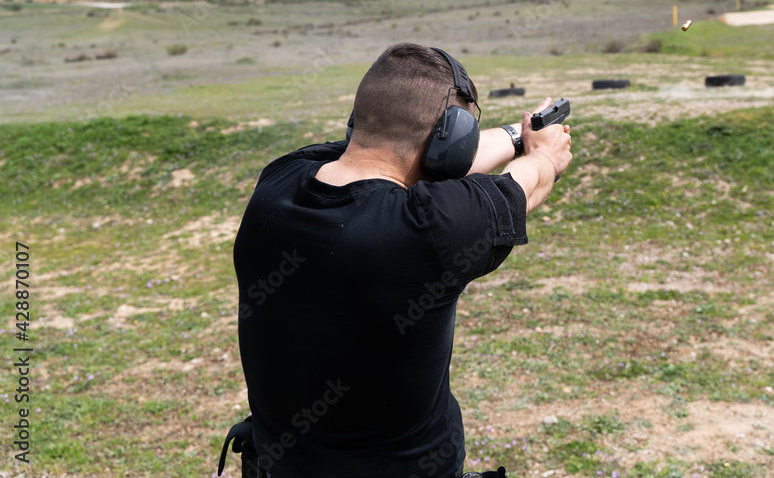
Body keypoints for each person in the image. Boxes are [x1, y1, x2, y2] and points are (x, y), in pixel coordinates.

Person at [225, 43, 572, 478]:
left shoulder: (279, 180)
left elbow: (404, 154)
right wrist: (544, 154)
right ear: (449, 138)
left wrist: (519, 135)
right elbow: (523, 186)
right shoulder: (427, 229)